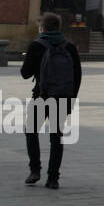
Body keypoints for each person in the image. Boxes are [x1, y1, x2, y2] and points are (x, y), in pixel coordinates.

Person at [21, 12, 82, 189]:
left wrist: (28, 58)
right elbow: (77, 76)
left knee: (31, 132)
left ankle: (35, 170)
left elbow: (25, 74)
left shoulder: (36, 45)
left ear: (43, 28)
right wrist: (71, 100)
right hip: (62, 97)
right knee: (56, 137)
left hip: (41, 95)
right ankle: (53, 178)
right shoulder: (69, 47)